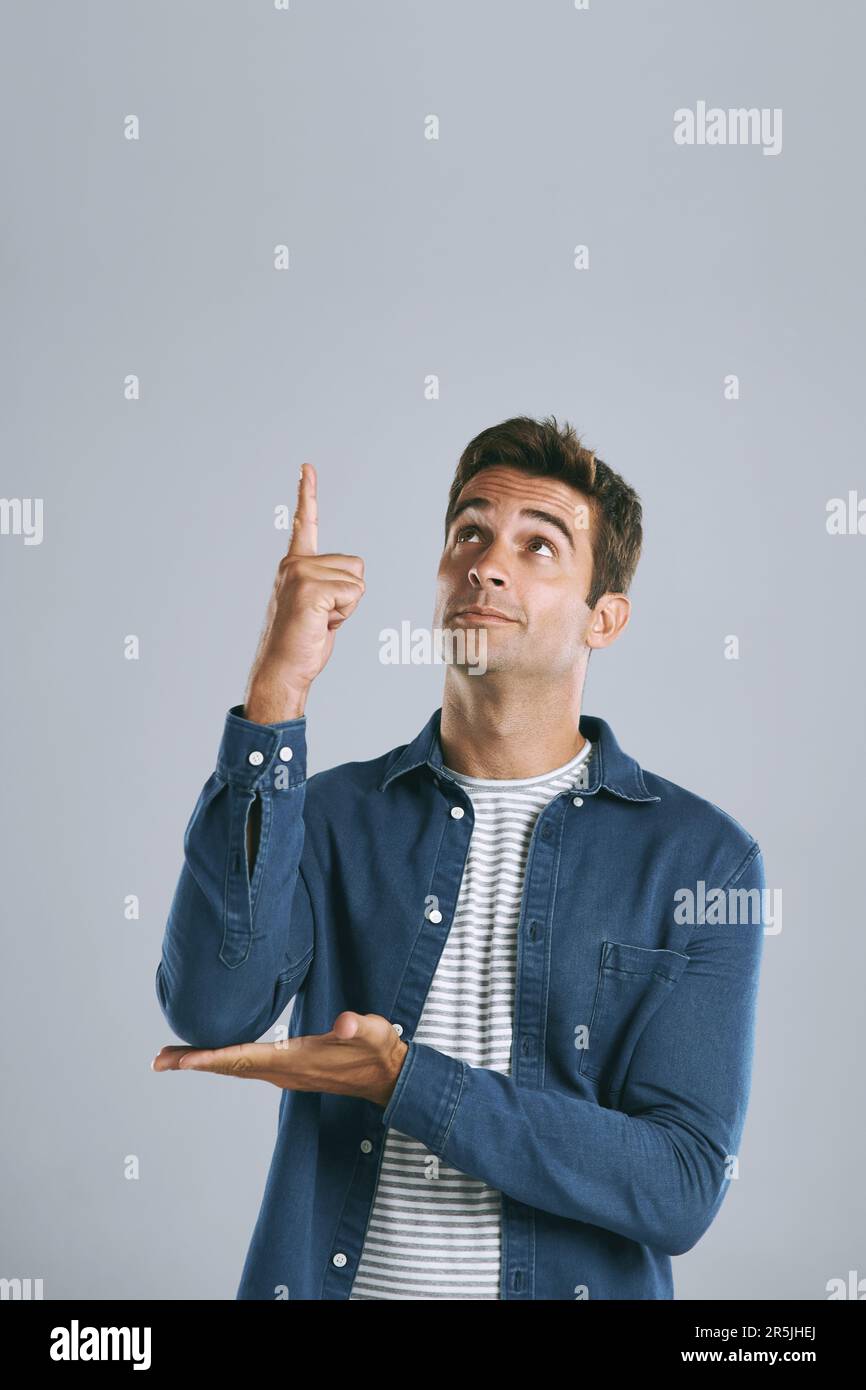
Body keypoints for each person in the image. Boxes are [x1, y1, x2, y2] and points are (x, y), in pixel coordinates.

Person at [153, 415, 766, 1300]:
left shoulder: (702, 861)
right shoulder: (330, 817)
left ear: (605, 618)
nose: (487, 562)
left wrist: (409, 1084)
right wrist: (275, 692)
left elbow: (678, 1185)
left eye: (539, 546)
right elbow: (213, 1008)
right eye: (469, 533)